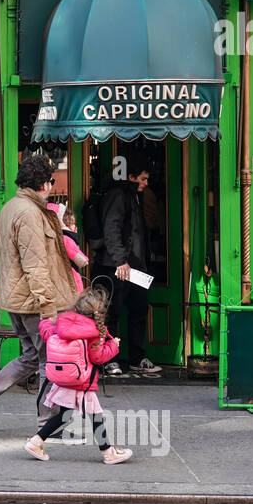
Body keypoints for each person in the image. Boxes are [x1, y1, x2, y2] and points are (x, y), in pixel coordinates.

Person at [0, 154, 78, 430]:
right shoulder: (28, 213)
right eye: (50, 181)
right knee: (47, 362)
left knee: (30, 357)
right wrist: (48, 308)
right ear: (42, 183)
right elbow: (35, 265)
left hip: (19, 299)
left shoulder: (14, 206)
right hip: (33, 303)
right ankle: (47, 423)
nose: (51, 186)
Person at [23, 286, 133, 464]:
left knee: (64, 415)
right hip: (82, 381)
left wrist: (45, 321)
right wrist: (114, 346)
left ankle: (36, 442)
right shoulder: (94, 332)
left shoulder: (62, 324)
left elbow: (46, 333)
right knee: (96, 415)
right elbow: (97, 357)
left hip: (64, 379)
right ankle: (108, 452)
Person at [95, 157, 160, 375]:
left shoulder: (135, 196)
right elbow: (111, 229)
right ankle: (109, 359)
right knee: (112, 313)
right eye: (143, 178)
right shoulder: (119, 195)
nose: (146, 183)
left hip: (136, 267)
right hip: (119, 267)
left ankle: (136, 357)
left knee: (138, 311)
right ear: (131, 177)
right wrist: (120, 260)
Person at [50, 202, 89, 294]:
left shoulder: (52, 237)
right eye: (73, 224)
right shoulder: (66, 239)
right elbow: (81, 260)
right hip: (70, 276)